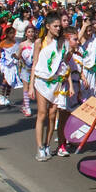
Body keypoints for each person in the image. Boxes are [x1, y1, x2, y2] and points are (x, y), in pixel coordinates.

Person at [32, 15, 69, 161]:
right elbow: (35, 63)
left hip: (56, 82)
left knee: (52, 114)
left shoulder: (61, 43)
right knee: (42, 113)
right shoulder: (39, 42)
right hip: (41, 81)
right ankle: (40, 147)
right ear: (47, 26)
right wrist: (30, 86)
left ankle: (47, 144)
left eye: (59, 26)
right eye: (55, 26)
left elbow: (64, 62)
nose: (58, 28)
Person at [17, 24, 38, 117]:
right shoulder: (22, 44)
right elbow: (18, 55)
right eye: (29, 32)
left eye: (32, 32)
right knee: (26, 88)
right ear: (25, 34)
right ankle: (27, 107)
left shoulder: (37, 43)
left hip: (35, 69)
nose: (31, 34)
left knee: (34, 87)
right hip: (25, 68)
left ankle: (24, 105)